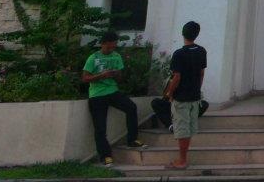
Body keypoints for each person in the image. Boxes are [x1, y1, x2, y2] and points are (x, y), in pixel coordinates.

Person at [81, 30, 147, 166]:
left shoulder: (116, 56)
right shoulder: (93, 58)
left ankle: (132, 139)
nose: (112, 48)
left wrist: (116, 74)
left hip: (113, 91)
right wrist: (100, 76)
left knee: (131, 107)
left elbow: (121, 77)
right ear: (104, 44)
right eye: (110, 45)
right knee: (100, 127)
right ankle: (105, 156)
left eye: (114, 45)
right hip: (97, 95)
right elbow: (85, 78)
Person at [163, 21, 207, 170]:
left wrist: (170, 92)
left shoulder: (179, 54)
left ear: (183, 33)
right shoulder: (202, 51)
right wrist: (197, 88)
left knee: (182, 130)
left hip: (181, 97)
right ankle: (183, 157)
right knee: (188, 129)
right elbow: (201, 73)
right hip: (194, 96)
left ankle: (182, 160)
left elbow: (176, 77)